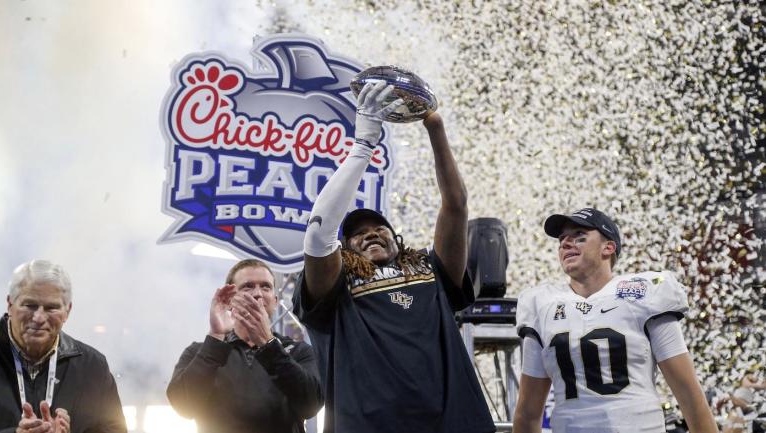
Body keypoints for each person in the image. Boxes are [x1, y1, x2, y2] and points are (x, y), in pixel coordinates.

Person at [293, 81, 495, 433]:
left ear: (396, 239)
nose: (371, 233)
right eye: (357, 233)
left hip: (451, 424)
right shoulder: (337, 286)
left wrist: (434, 126)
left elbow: (456, 205)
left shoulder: (428, 269)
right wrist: (362, 147)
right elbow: (318, 233)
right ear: (344, 249)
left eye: (379, 228)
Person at [512, 208, 719, 433]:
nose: (566, 244)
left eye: (579, 237)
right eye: (562, 240)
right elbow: (528, 413)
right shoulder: (542, 304)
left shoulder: (646, 294)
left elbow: (689, 395)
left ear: (608, 247)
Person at [167, 259, 323, 433]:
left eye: (266, 287)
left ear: (275, 300)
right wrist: (216, 336)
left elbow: (311, 405)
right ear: (229, 298)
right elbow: (183, 405)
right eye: (248, 286)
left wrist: (268, 344)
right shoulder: (200, 351)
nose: (258, 294)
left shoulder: (299, 351)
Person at [0, 259, 126, 433]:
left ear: (67, 311)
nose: (39, 318)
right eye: (30, 305)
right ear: (10, 304)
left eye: (51, 308)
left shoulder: (92, 367)